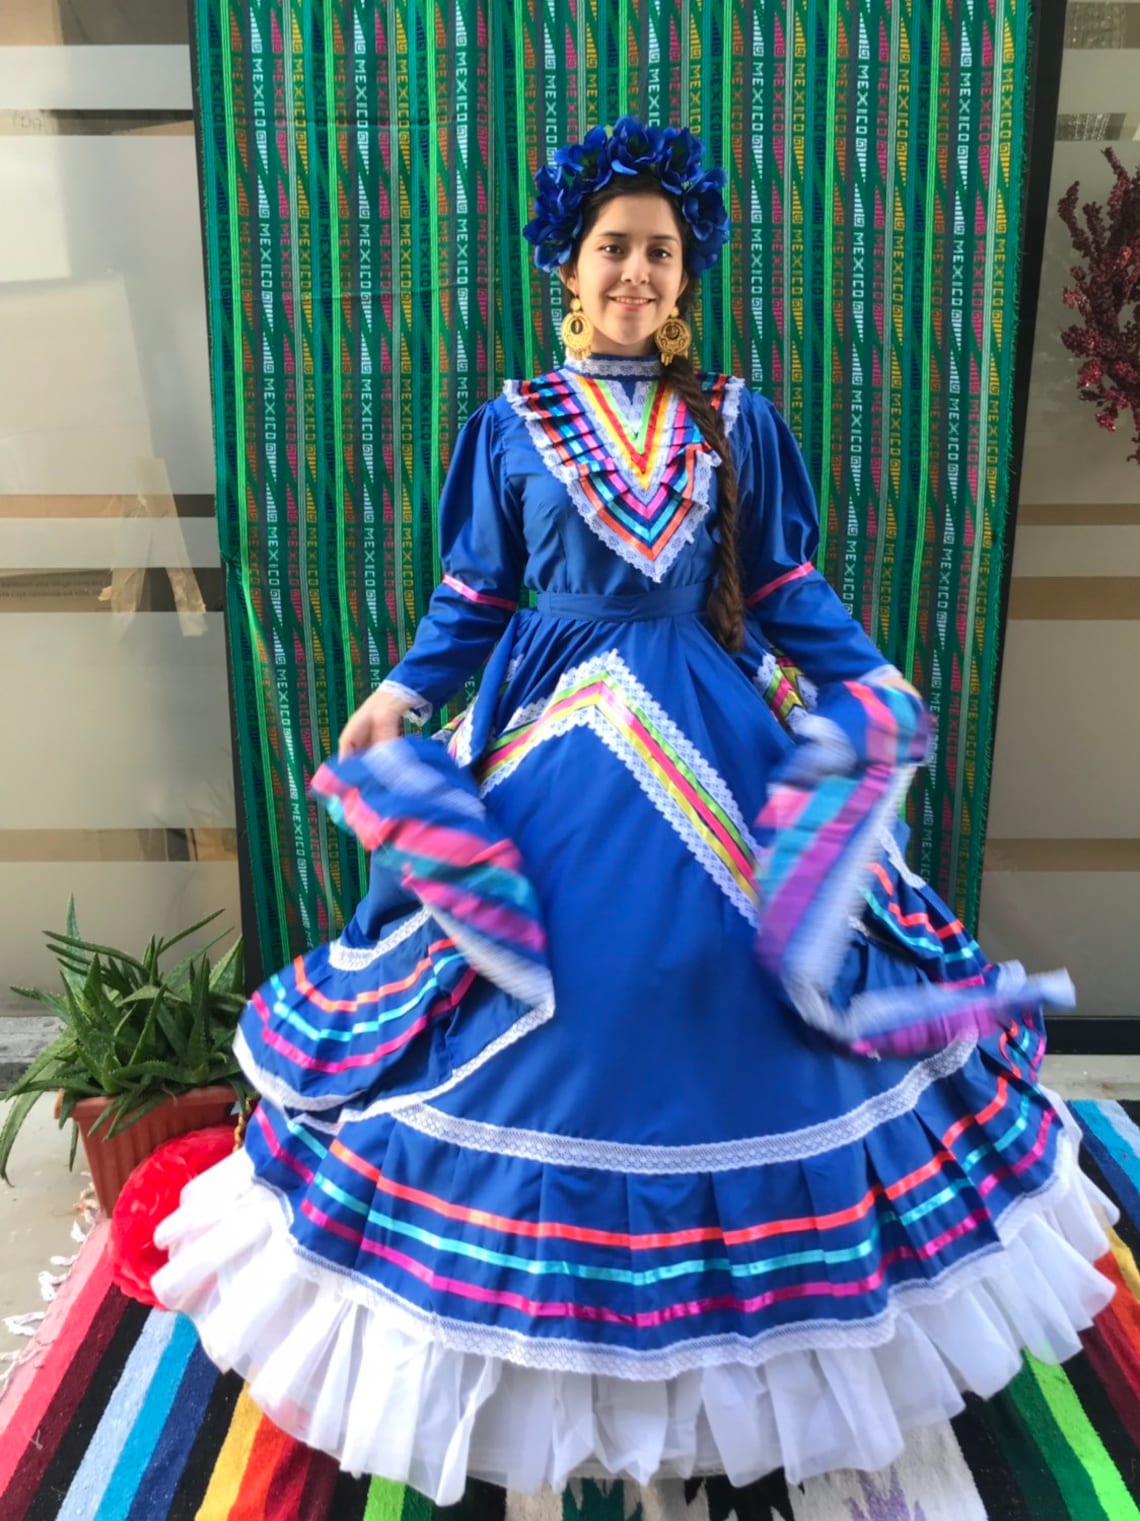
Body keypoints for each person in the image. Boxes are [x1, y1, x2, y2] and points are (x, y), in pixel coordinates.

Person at [152, 119, 1115, 1503]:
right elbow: (474, 597)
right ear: (571, 263)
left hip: (709, 736)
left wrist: (867, 675)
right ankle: (545, 1361)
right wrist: (402, 693)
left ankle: (745, 1357)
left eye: (661, 252)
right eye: (616, 248)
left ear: (685, 274)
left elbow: (784, 586)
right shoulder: (513, 424)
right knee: (546, 1000)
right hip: (552, 742)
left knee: (736, 997)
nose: (638, 273)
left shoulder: (737, 419)